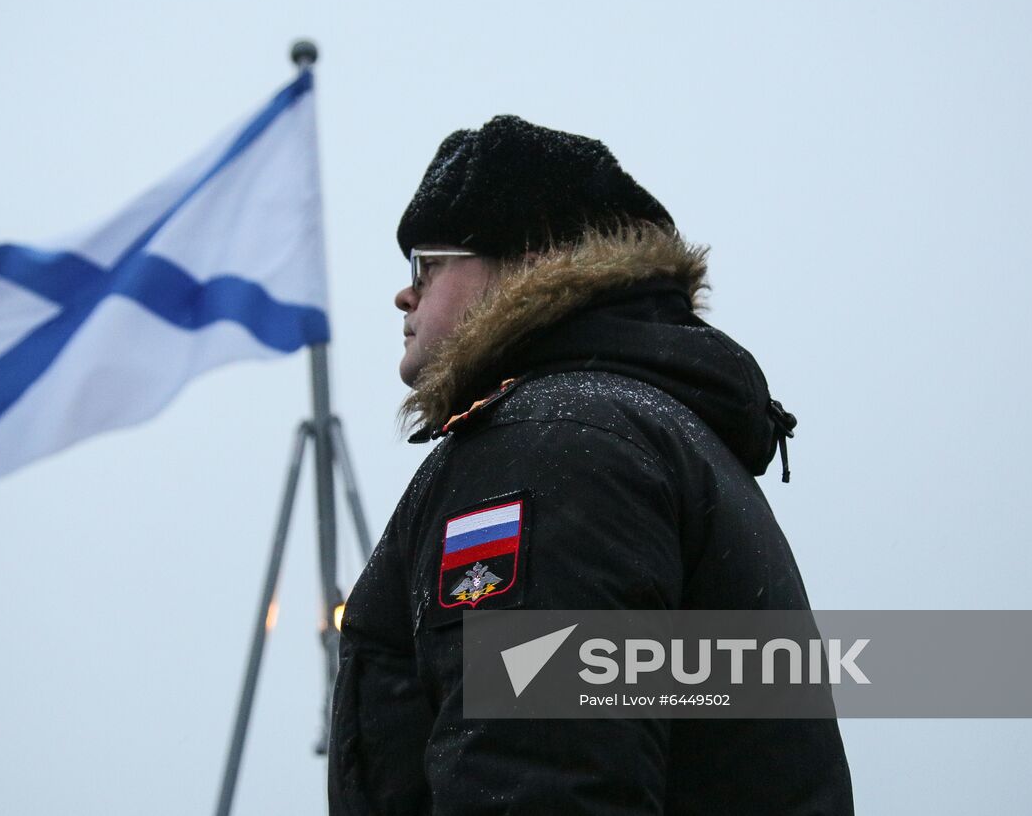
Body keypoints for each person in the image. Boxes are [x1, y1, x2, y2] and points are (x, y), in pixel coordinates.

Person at [328, 115, 854, 815]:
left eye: (427, 263)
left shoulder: (547, 447)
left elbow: (537, 782)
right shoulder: (634, 432)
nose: (405, 293)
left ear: (524, 261)